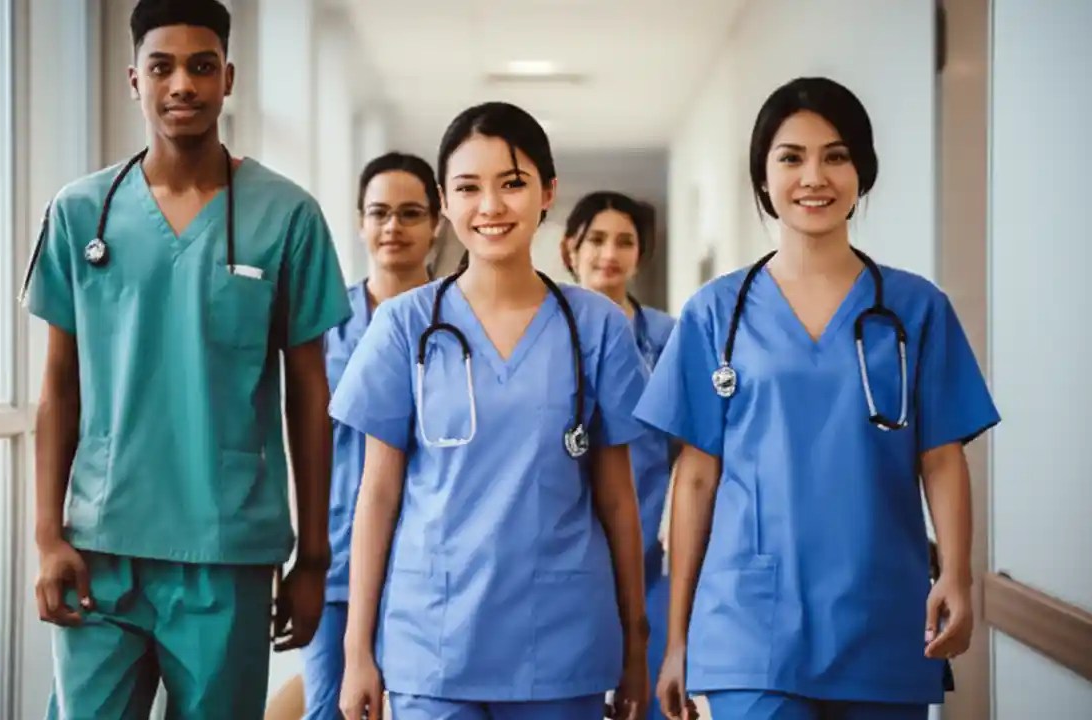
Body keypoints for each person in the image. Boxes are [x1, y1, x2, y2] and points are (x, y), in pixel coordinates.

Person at [21, 1, 351, 717]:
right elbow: (59, 387)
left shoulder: (286, 216)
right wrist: (48, 534)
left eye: (202, 67)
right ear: (133, 79)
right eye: (163, 67)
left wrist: (314, 559)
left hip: (225, 552)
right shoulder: (83, 212)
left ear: (228, 78)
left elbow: (308, 394)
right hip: (100, 546)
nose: (183, 86)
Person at [637, 76, 1000, 720]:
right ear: (764, 176)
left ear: (862, 170)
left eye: (836, 155)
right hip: (749, 624)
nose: (815, 176)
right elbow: (695, 479)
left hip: (880, 612)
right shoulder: (715, 313)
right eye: (791, 157)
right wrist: (678, 638)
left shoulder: (916, 309)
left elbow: (941, 455)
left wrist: (958, 575)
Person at [331, 101, 652, 720]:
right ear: (444, 204)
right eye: (468, 188)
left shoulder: (597, 327)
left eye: (512, 184)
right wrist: (357, 651)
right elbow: (377, 496)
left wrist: (636, 644)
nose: (491, 207)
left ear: (547, 192)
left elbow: (618, 499)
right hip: (432, 642)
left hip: (560, 644)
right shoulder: (406, 325)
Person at [301, 152, 441, 719]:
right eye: (379, 213)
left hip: (432, 558)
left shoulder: (463, 319)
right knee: (328, 709)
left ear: (437, 223)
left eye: (411, 214)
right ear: (359, 222)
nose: (393, 227)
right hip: (339, 558)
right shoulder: (325, 325)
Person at [562, 191, 676, 720]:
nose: (610, 253)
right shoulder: (548, 330)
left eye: (625, 241)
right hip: (567, 554)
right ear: (570, 248)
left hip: (650, 556)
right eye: (597, 239)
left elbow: (696, 453)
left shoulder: (669, 339)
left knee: (645, 698)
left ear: (641, 253)